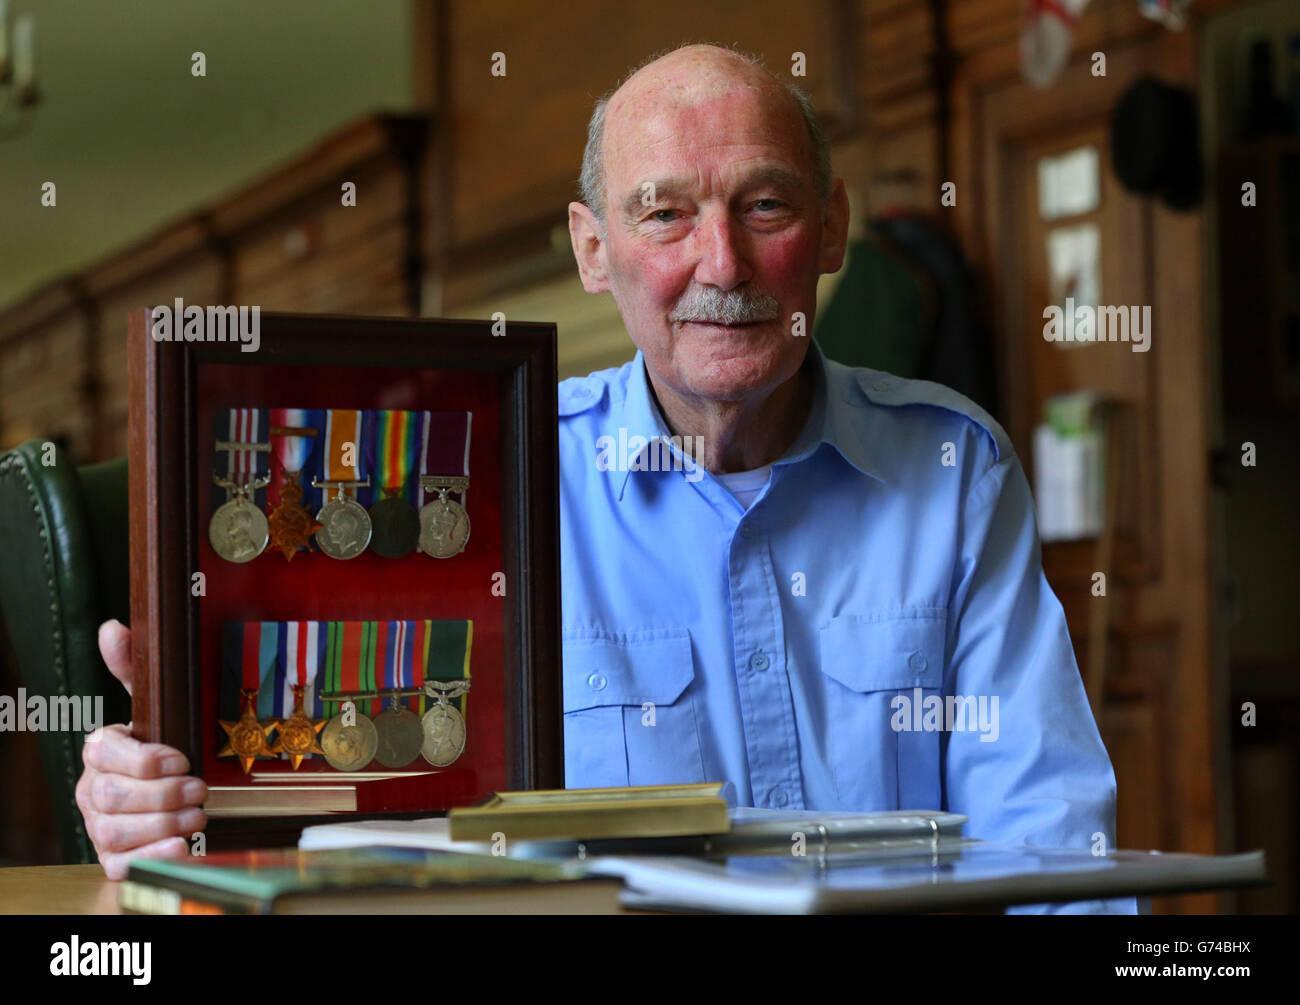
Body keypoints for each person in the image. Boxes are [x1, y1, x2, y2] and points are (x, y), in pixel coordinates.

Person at [78, 44, 1132, 912]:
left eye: (764, 206)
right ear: (592, 250)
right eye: (663, 215)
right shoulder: (484, 481)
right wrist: (173, 811)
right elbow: (357, 836)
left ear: (832, 228)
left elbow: (1050, 853)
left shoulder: (951, 468)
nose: (721, 264)